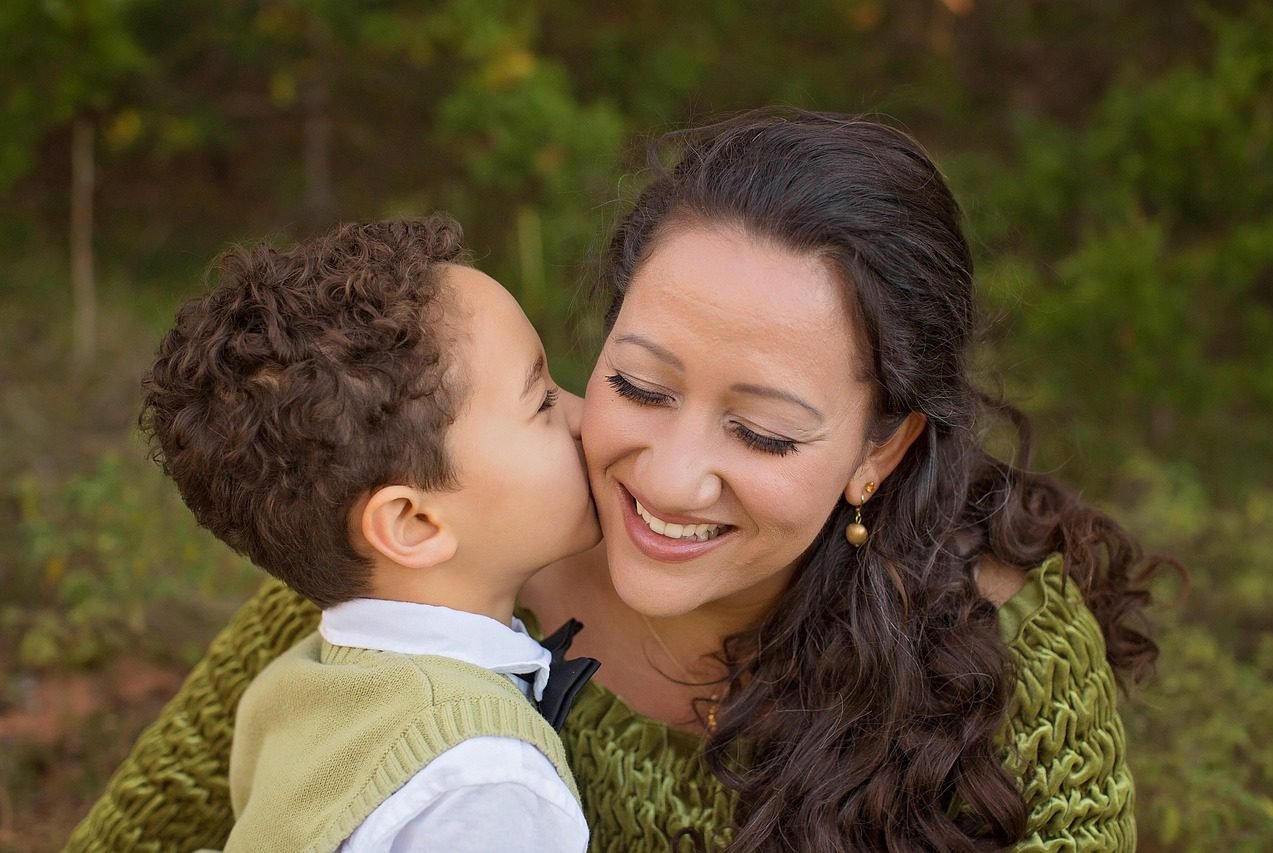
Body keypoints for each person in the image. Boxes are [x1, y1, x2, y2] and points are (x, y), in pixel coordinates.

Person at [66, 110, 1161, 852]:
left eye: (763, 433)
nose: (670, 475)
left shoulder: (1010, 665)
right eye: (637, 384)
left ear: (879, 449)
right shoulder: (439, 566)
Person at [134, 217, 601, 852]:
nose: (584, 414)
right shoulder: (485, 787)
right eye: (541, 401)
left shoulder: (294, 689)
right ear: (412, 524)